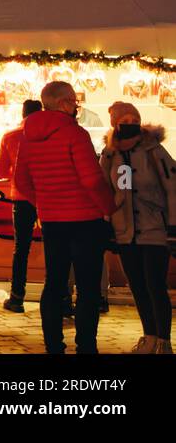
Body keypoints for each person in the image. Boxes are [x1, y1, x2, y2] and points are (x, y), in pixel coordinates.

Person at [14, 80, 116, 354]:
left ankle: (53, 345)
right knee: (87, 285)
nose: (76, 105)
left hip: (52, 221)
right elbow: (92, 179)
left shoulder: (27, 137)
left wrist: (44, 202)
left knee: (55, 281)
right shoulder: (75, 134)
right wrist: (109, 207)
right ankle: (86, 345)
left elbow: (20, 181)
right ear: (62, 103)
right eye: (73, 101)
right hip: (85, 220)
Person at [99, 100, 176, 353]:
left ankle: (163, 341)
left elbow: (172, 188)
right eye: (125, 121)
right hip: (125, 232)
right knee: (138, 286)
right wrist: (107, 225)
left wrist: (173, 227)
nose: (131, 124)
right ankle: (149, 336)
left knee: (155, 285)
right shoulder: (110, 154)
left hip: (154, 229)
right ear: (114, 123)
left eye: (135, 120)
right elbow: (105, 191)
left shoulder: (154, 150)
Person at [0, 99, 41, 312]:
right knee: (56, 247)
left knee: (21, 248)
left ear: (22, 114)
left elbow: (1, 171)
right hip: (50, 197)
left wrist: (18, 173)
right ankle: (62, 297)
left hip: (21, 199)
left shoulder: (10, 137)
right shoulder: (48, 135)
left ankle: (17, 297)